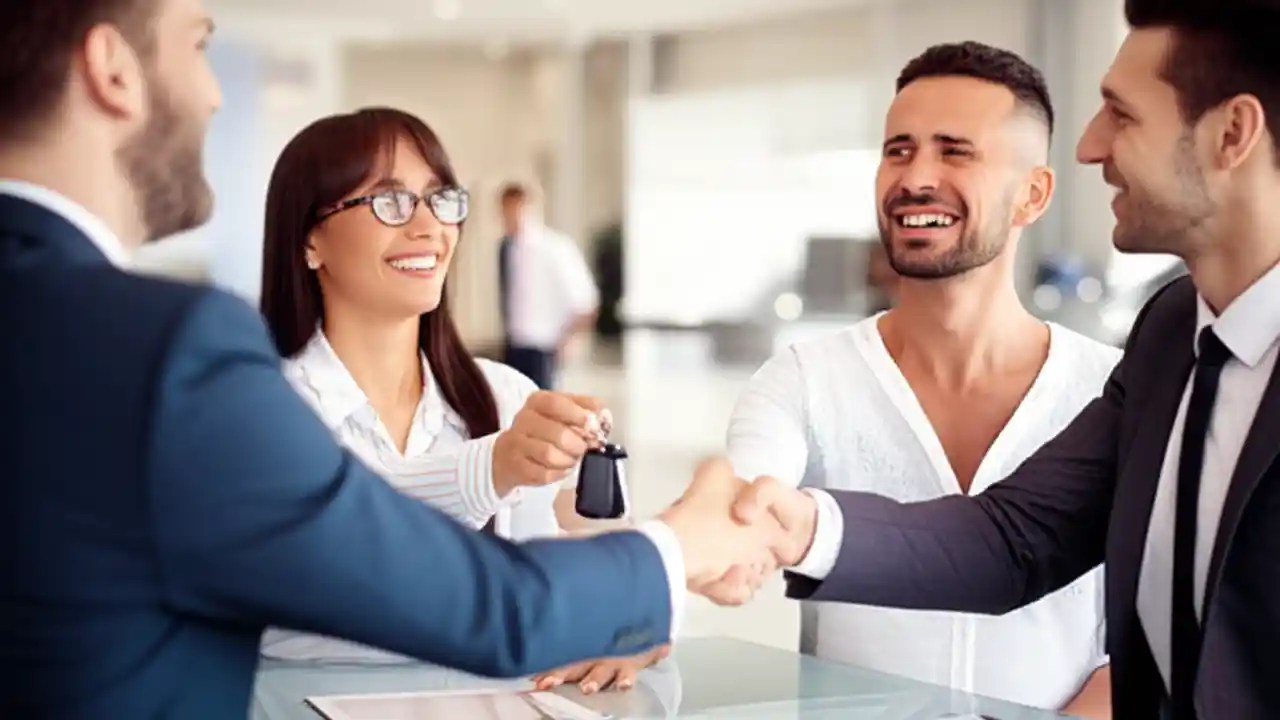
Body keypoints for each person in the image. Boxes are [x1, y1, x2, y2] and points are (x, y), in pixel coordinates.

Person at [0, 1, 781, 717]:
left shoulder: (501, 392)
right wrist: (677, 550)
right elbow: (441, 591)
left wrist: (614, 601)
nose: (213, 95)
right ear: (111, 69)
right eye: (201, 45)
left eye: (441, 199)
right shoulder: (180, 358)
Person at [731, 4, 1280, 718]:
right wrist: (796, 524)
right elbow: (1017, 538)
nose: (1089, 146)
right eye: (898, 148)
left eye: (1121, 114)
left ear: (1231, 134)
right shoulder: (1172, 337)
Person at [722, 42, 1116, 717]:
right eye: (898, 150)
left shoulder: (1113, 388)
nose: (915, 177)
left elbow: (1155, 626)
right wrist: (644, 594)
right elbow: (740, 499)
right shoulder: (806, 380)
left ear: (1033, 193)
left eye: (955, 150)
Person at [256, 107, 623, 661]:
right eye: (390, 201)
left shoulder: (507, 398)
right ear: (311, 241)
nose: (429, 227)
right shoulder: (256, 407)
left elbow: (560, 595)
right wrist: (492, 469)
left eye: (440, 198)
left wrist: (625, 623)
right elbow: (327, 560)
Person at [497, 182, 599, 389]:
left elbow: (586, 301)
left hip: (544, 346)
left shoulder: (556, 248)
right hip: (513, 345)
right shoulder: (506, 248)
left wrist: (571, 339)